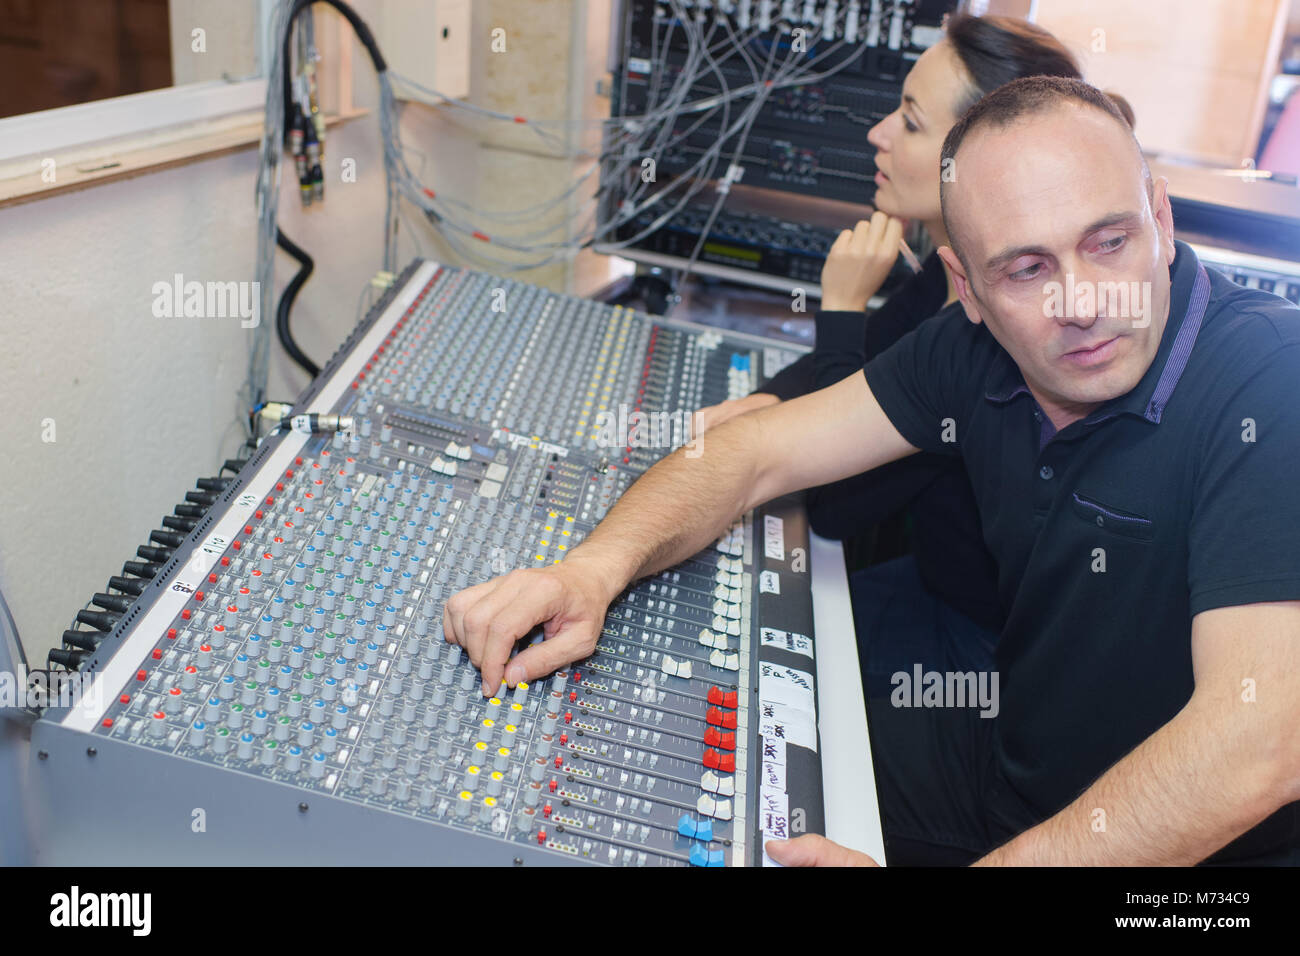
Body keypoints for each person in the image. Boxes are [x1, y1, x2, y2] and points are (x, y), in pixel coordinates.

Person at [444, 75, 1300, 866]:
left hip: (1199, 872)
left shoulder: (1270, 379)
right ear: (965, 286)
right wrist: (591, 570)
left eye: (1110, 241)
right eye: (1027, 269)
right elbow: (753, 453)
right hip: (1015, 770)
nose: (1083, 302)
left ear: (1162, 217)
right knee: (721, 796)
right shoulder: (968, 349)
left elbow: (1257, 744)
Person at [700, 15, 1094, 704]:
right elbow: (874, 360)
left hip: (974, 665)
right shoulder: (948, 269)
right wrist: (767, 406)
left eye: (910, 122)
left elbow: (831, 506)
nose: (878, 133)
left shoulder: (987, 334)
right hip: (924, 592)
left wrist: (840, 305)